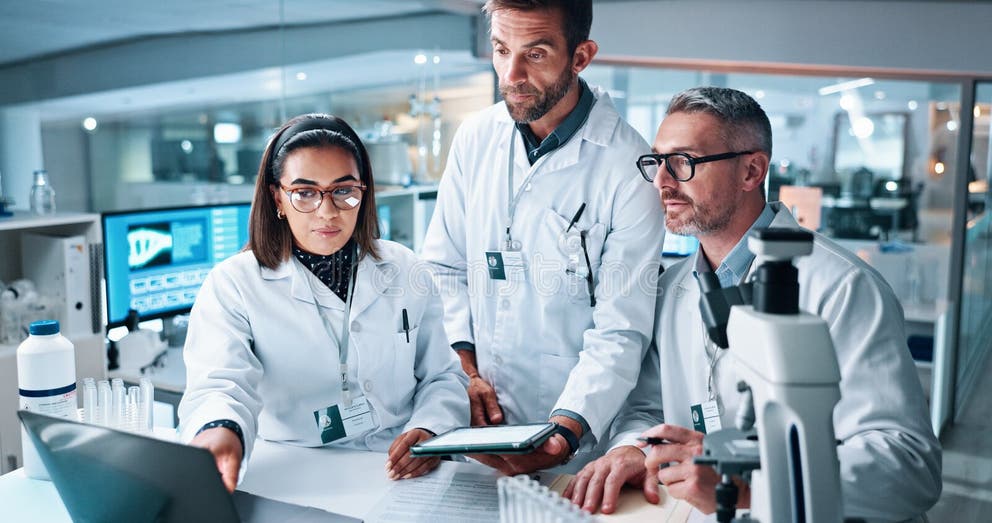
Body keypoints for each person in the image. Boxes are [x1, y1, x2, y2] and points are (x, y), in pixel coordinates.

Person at [564, 87, 942, 521]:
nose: (661, 181)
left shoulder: (844, 286)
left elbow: (909, 464)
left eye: (683, 162)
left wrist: (749, 485)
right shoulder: (671, 288)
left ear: (751, 171)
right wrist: (634, 448)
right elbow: (647, 406)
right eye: (656, 161)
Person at [421, 0, 666, 475]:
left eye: (534, 54)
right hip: (472, 422)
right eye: (500, 49)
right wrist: (465, 375)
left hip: (573, 443)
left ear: (581, 57)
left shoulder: (629, 168)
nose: (510, 73)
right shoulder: (475, 138)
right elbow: (444, 270)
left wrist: (566, 428)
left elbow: (621, 328)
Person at [178, 114, 469, 491]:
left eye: (344, 190)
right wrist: (221, 430)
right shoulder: (234, 283)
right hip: (301, 468)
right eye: (305, 192)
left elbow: (443, 376)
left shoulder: (404, 268)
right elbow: (220, 384)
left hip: (400, 465)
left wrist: (430, 428)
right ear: (277, 197)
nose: (327, 212)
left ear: (364, 192)